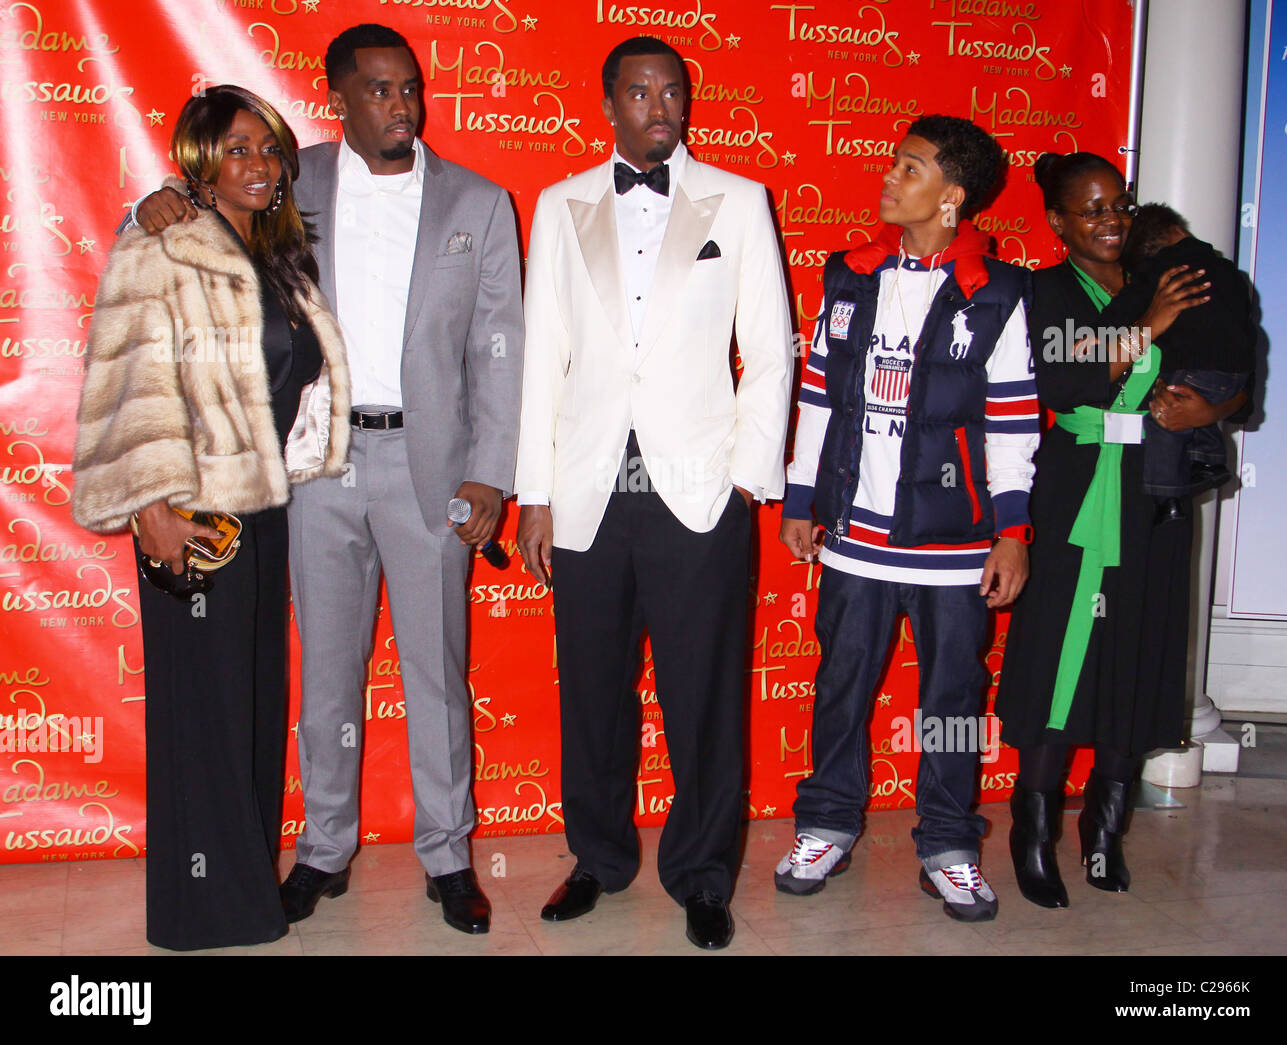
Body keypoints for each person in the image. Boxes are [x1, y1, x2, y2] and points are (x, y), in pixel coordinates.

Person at [134, 24, 524, 935]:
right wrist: (159, 196)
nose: (402, 107)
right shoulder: (288, 180)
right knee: (325, 677)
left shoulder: (479, 201)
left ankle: (449, 853)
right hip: (316, 465)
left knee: (437, 671)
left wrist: (491, 475)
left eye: (411, 90)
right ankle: (323, 848)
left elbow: (497, 354)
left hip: (433, 472)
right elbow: (186, 221)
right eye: (380, 91)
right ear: (338, 96)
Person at [514, 36, 793, 950]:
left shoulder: (740, 201)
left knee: (704, 693)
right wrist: (536, 493)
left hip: (698, 488)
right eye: (640, 92)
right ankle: (597, 856)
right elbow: (542, 358)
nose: (659, 106)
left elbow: (771, 348)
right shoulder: (560, 205)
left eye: (672, 91)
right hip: (592, 483)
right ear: (608, 105)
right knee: (592, 688)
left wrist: (749, 478)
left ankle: (704, 873)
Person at [72, 86, 351, 951]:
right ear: (198, 162)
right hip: (191, 514)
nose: (260, 165)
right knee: (205, 717)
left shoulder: (273, 250)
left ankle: (241, 895)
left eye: (269, 149)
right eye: (237, 150)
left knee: (251, 714)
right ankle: (202, 911)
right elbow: (133, 385)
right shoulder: (162, 245)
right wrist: (151, 505)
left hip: (258, 515)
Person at [775, 116, 1038, 923]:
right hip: (855, 534)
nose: (889, 176)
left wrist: (1011, 531)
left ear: (952, 198)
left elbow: (1013, 416)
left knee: (956, 700)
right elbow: (818, 391)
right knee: (842, 686)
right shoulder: (851, 275)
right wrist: (800, 495)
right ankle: (826, 824)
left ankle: (951, 843)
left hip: (953, 545)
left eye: (911, 167)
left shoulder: (998, 292)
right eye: (895, 162)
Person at [996, 152, 1247, 908]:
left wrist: (1214, 409)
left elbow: (1228, 362)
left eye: (1120, 206)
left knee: (1136, 652)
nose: (1111, 222)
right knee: (1060, 661)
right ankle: (1031, 830)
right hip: (1076, 492)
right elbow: (1064, 377)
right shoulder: (1040, 288)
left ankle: (1105, 832)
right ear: (1058, 222)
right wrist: (1151, 324)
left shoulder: (1165, 272)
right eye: (1092, 210)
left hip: (1155, 493)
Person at [1111, 203, 1254, 522]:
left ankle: (1166, 497)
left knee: (1163, 420)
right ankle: (1209, 461)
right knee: (1197, 403)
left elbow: (1122, 312)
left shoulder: (1163, 269)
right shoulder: (1229, 272)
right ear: (1178, 229)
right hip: (1234, 375)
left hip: (1192, 369)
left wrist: (1109, 322)